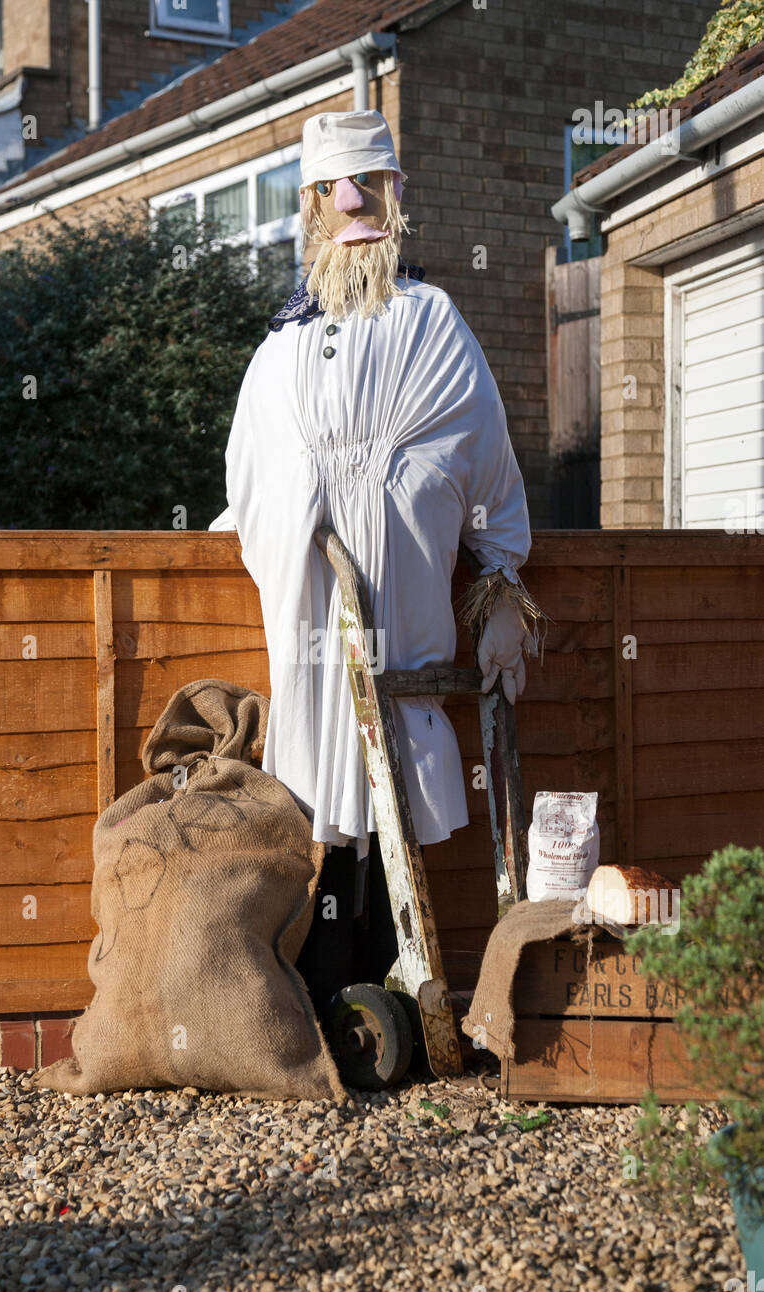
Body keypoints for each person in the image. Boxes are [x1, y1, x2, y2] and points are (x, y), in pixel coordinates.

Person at [209, 110, 535, 1017]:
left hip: (404, 627)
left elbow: (487, 460)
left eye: (369, 186)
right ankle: (332, 995)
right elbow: (251, 471)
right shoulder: (279, 350)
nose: (351, 206)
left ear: (397, 199)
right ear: (310, 211)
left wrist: (502, 579)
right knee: (326, 807)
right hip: (315, 629)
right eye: (330, 191)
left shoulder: (433, 322)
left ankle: (403, 981)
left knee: (391, 776)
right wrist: (271, 513)